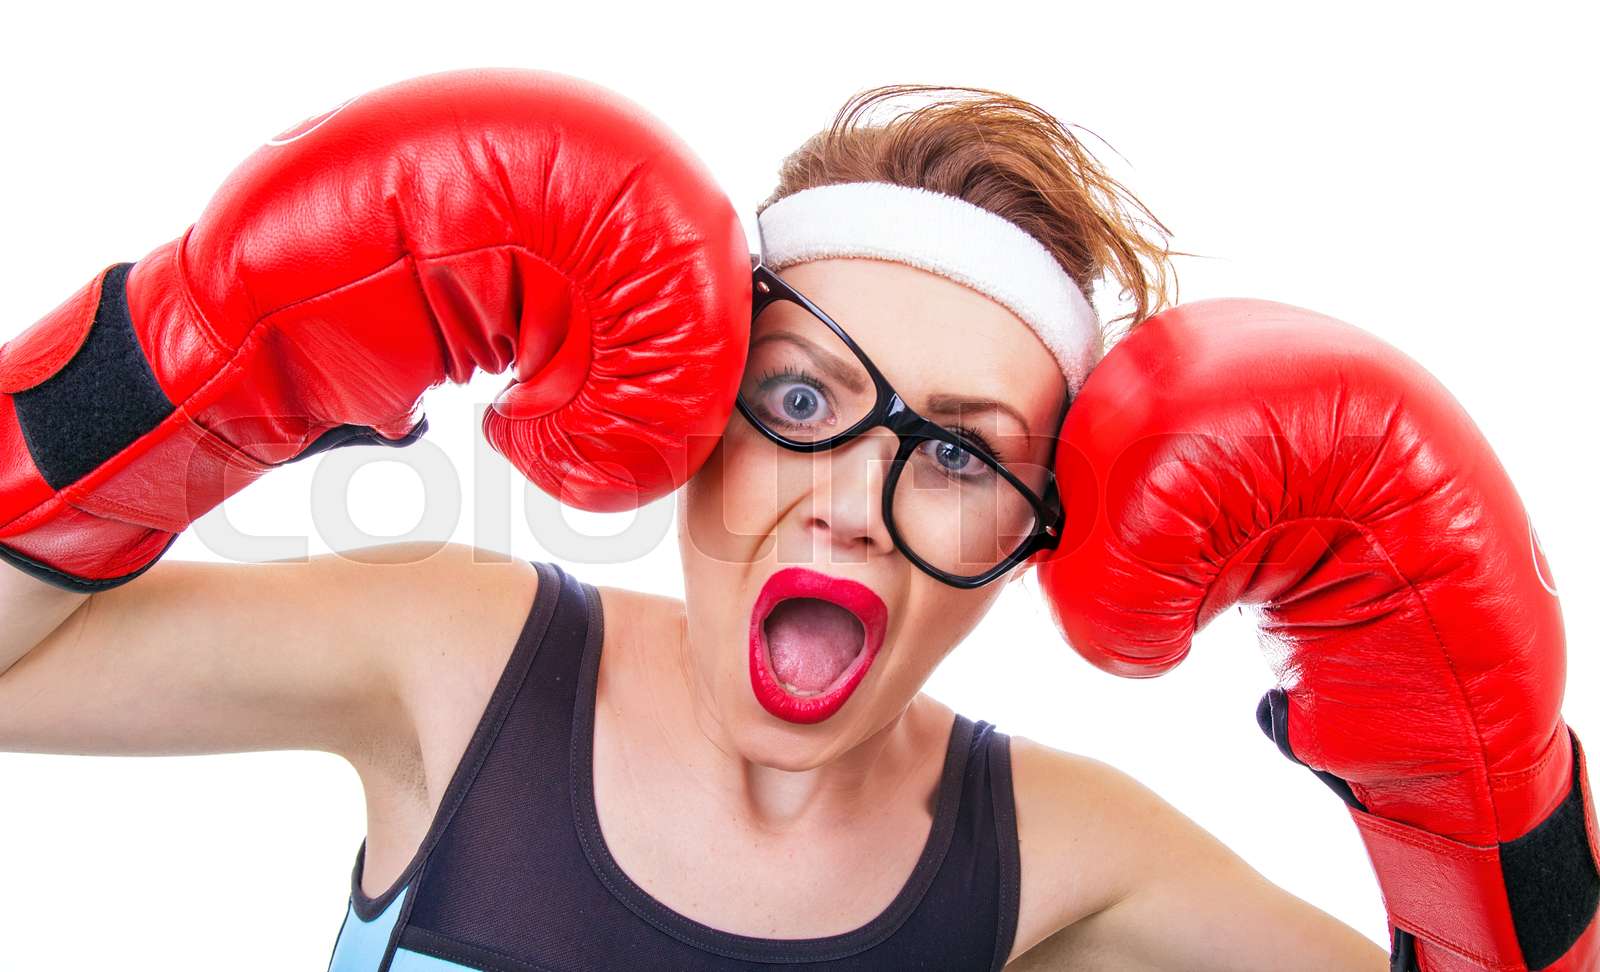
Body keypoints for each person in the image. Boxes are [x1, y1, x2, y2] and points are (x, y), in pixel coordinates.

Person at [2, 67, 1590, 971]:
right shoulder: (459, 657)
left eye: (962, 458)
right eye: (807, 402)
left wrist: (1487, 786)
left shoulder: (1060, 853)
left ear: (1038, 541)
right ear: (693, 407)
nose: (848, 511)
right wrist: (190, 357)